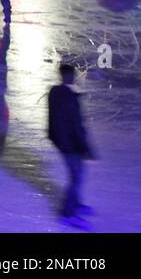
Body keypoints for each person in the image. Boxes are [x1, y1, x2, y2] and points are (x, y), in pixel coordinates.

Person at [48, 63, 96, 228]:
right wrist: (87, 150)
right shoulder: (69, 96)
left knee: (76, 175)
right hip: (71, 145)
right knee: (76, 178)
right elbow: (76, 125)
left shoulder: (55, 91)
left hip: (63, 142)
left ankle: (75, 204)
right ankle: (67, 214)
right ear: (70, 76)